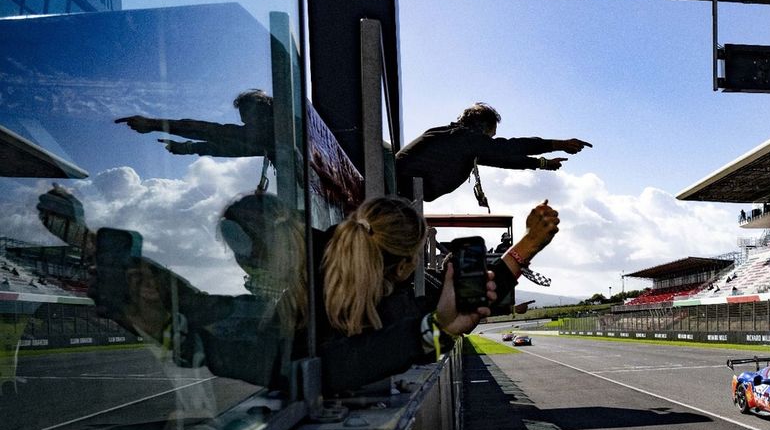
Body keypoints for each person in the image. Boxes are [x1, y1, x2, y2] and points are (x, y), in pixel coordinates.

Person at [315, 197, 561, 394]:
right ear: (403, 268)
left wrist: (439, 329)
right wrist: (530, 243)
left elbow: (458, 305)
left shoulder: (308, 264)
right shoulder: (394, 308)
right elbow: (345, 364)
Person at [394, 102, 591, 203]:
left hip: (400, 192)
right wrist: (559, 144)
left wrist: (543, 164)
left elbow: (503, 159)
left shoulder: (452, 137)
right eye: (491, 136)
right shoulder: (465, 139)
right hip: (399, 194)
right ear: (482, 128)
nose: (491, 140)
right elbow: (508, 148)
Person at [115, 89, 275, 161]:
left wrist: (152, 124)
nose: (243, 123)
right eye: (243, 120)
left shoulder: (280, 131)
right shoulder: (274, 139)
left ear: (264, 111)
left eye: (248, 118)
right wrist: (188, 148)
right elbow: (231, 146)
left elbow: (213, 132)